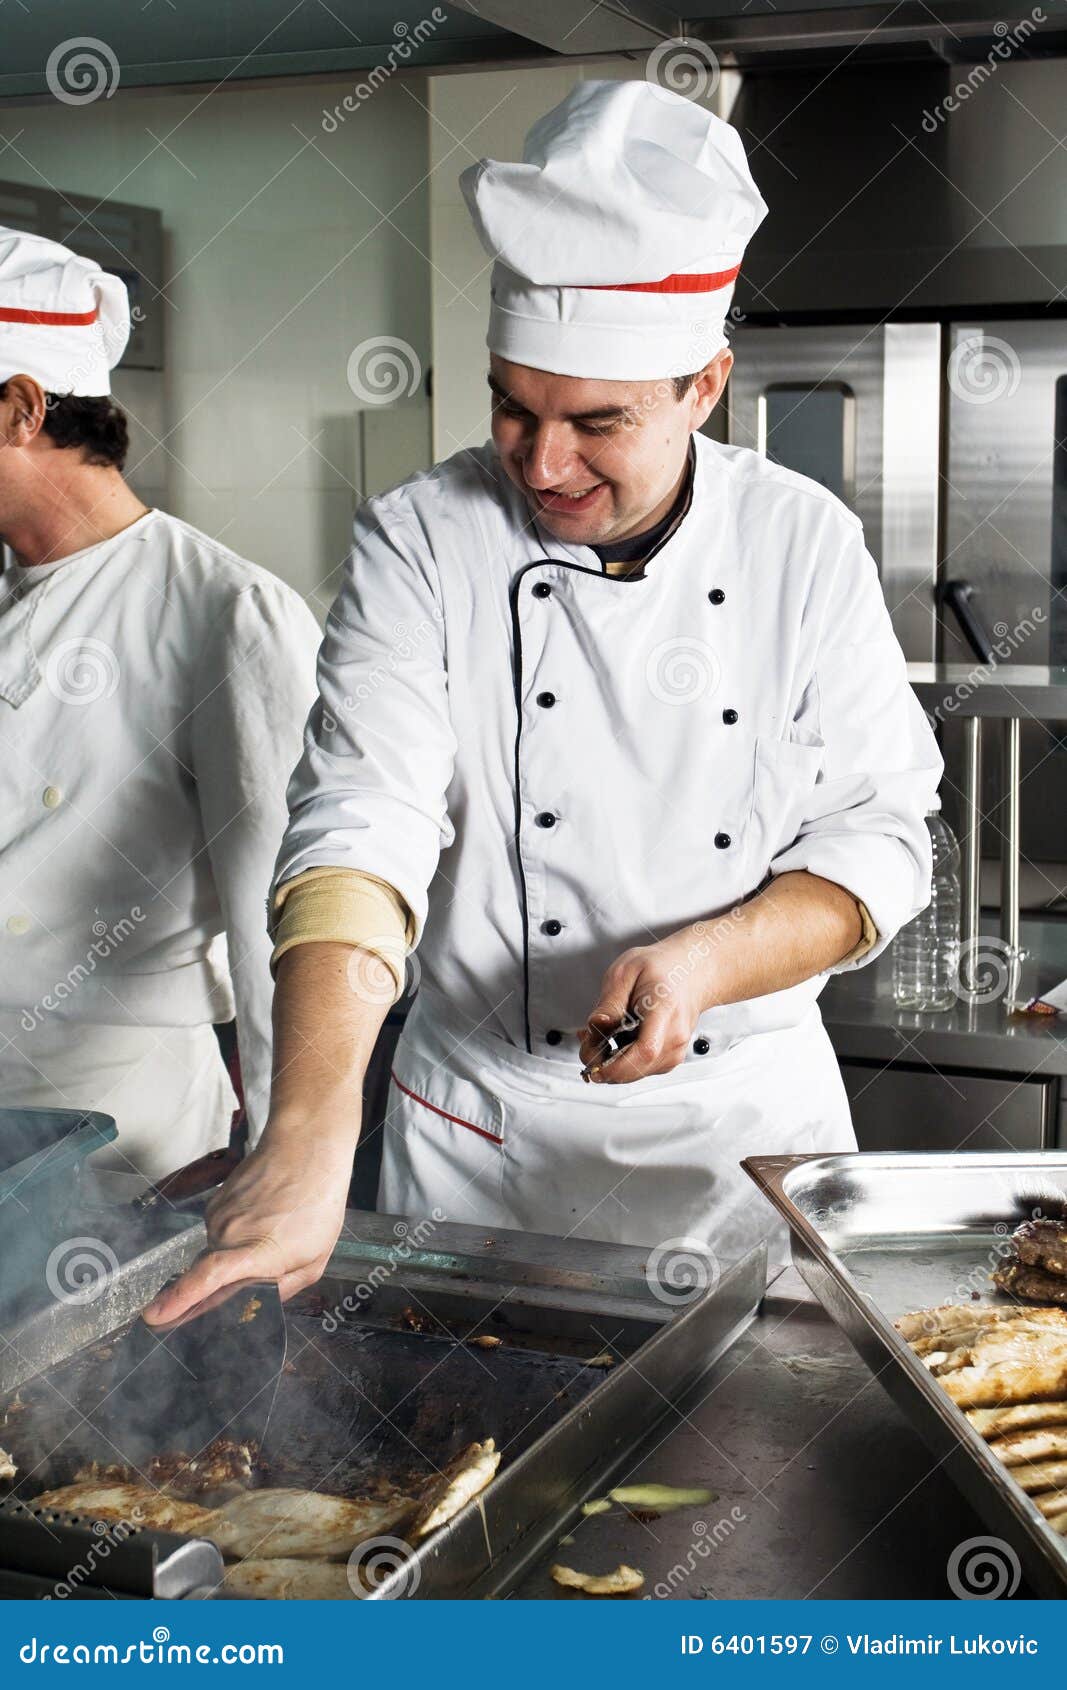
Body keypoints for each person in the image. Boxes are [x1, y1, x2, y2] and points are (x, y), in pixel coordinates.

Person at [147, 80, 941, 1322]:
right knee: (455, 1463)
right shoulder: (422, 536)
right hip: (479, 1148)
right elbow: (362, 826)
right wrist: (305, 1136)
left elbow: (878, 839)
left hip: (733, 1144)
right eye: (512, 406)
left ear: (704, 384)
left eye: (596, 420)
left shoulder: (801, 544)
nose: (542, 462)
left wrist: (706, 959)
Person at [0, 227, 320, 1182]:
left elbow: (285, 917)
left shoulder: (224, 610)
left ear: (19, 408)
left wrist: (280, 1159)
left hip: (112, 1106)